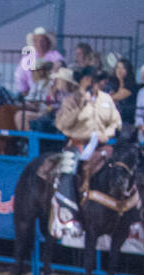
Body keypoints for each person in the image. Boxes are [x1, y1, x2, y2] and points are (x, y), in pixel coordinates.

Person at [54, 66, 122, 237]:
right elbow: (62, 124)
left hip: (101, 144)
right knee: (68, 169)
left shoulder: (106, 101)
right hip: (78, 142)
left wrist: (108, 132)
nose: (98, 84)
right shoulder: (71, 100)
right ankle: (68, 215)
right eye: (93, 80)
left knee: (123, 166)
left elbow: (116, 122)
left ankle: (126, 217)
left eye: (100, 80)